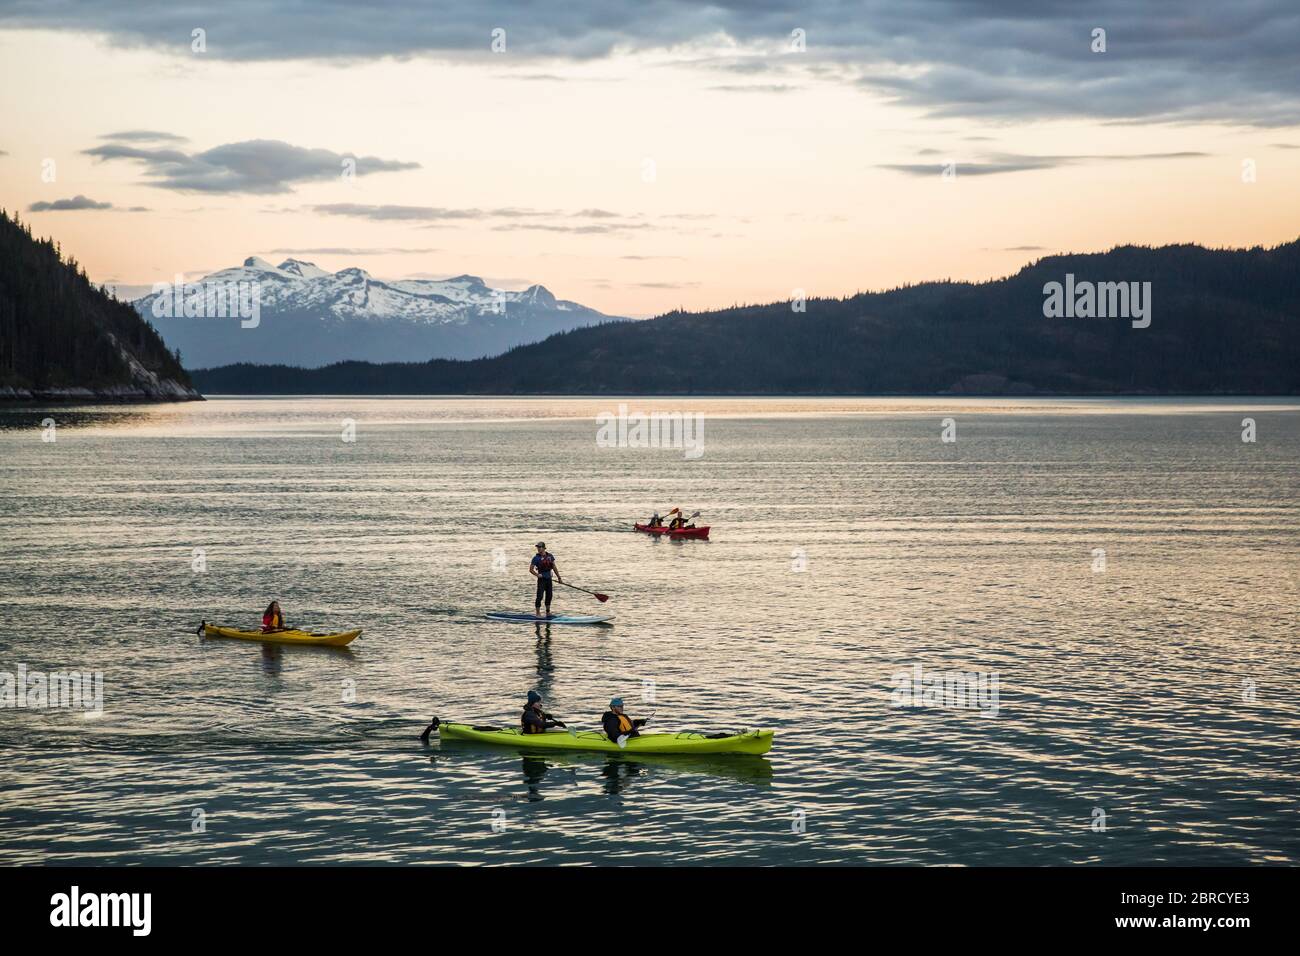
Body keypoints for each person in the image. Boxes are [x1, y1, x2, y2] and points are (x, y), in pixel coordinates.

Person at [529, 541, 561, 617]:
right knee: (540, 596)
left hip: (549, 579)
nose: (538, 549)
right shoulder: (536, 558)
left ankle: (548, 612)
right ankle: (537, 613)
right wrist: (537, 575)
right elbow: (531, 569)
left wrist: (559, 577)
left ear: (544, 548)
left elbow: (554, 567)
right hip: (541, 580)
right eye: (537, 547)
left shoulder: (550, 556)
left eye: (540, 547)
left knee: (549, 596)